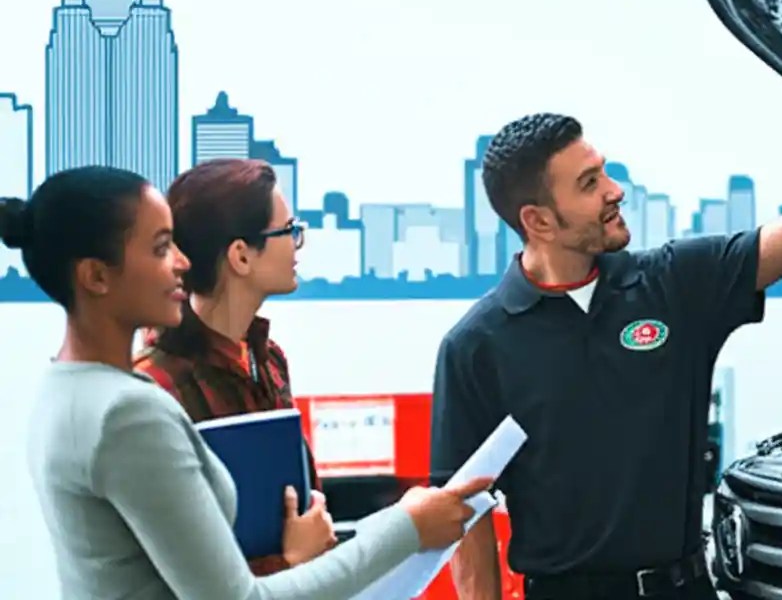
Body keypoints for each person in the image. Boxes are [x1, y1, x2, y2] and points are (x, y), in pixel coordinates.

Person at [429, 36, 782, 600]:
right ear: (538, 221)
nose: (616, 191)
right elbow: (462, 511)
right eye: (589, 184)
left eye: (604, 171)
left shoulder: (674, 285)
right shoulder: (477, 345)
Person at [8, 165, 493, 600]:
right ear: (95, 276)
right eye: (160, 248)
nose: (181, 262)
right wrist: (406, 528)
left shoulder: (66, 390)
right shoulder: (130, 410)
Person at [132, 158, 324, 575]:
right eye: (288, 231)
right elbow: (168, 563)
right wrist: (289, 561)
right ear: (240, 256)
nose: (297, 243)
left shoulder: (268, 359)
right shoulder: (154, 387)